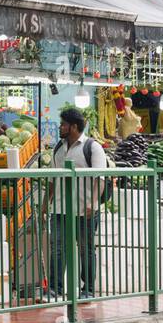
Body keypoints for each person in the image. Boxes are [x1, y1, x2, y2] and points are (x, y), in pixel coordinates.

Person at [44, 106, 107, 301]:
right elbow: (53, 179)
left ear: (72, 127)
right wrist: (47, 202)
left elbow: (101, 178)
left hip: (85, 210)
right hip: (61, 209)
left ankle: (87, 288)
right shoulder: (58, 148)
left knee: (86, 249)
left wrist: (93, 203)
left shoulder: (92, 147)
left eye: (63, 124)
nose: (60, 127)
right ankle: (55, 288)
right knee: (57, 247)